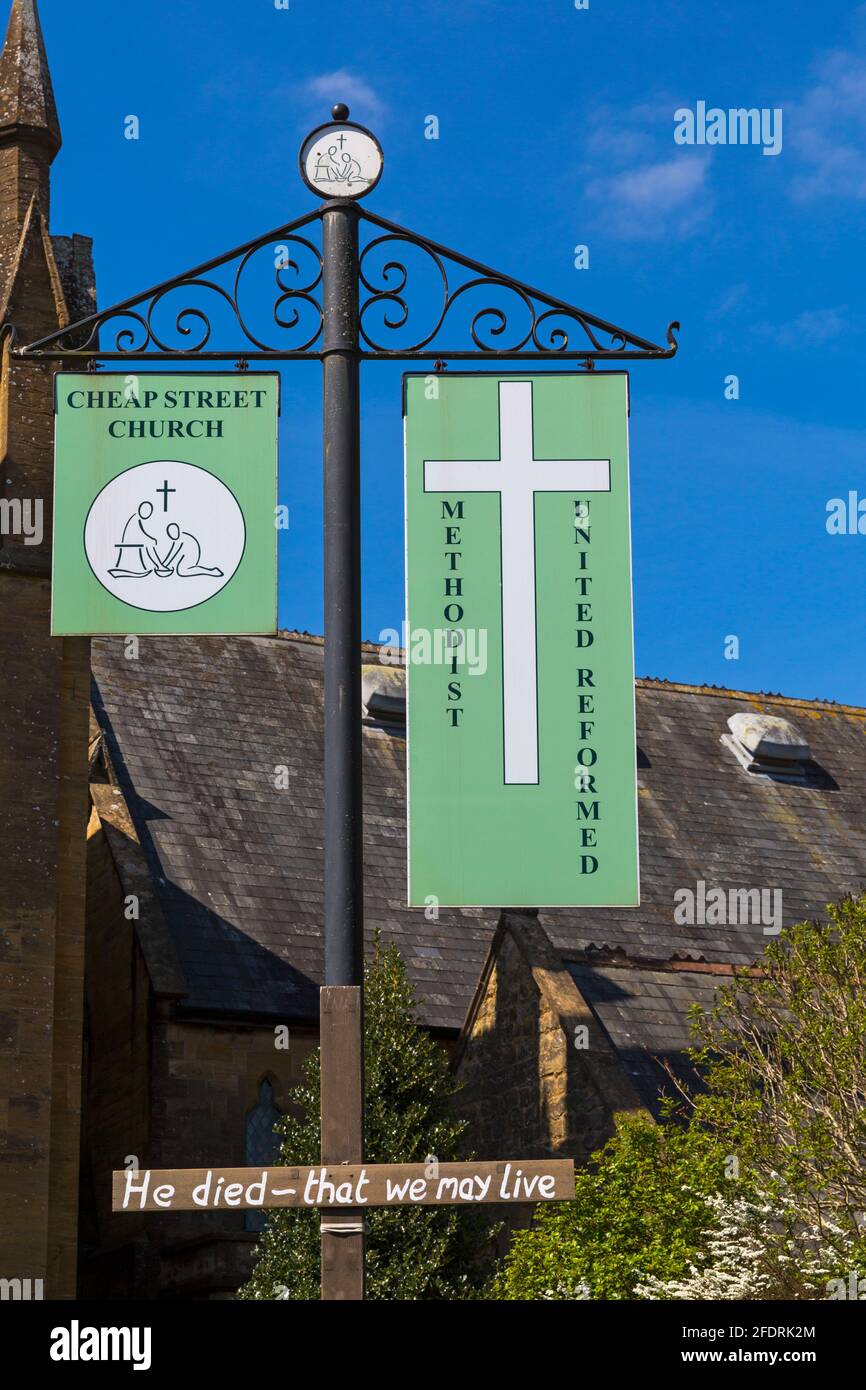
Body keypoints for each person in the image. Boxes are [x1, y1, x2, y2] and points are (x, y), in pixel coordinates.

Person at [108, 501, 170, 578]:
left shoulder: (138, 519)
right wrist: (151, 539)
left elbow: (141, 533)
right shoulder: (135, 519)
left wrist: (150, 539)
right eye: (146, 511)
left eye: (149, 512)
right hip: (130, 541)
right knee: (149, 544)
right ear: (140, 510)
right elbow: (140, 533)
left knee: (149, 543)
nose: (147, 514)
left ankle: (159, 565)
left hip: (135, 541)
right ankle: (159, 565)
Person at [160, 522, 224, 578]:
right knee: (184, 571)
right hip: (187, 555)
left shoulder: (181, 539)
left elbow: (173, 554)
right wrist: (163, 565)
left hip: (192, 555)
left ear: (178, 530)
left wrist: (163, 566)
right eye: (171, 533)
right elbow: (172, 553)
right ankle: (211, 571)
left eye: (174, 532)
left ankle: (211, 572)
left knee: (183, 571)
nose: (173, 535)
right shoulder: (176, 540)